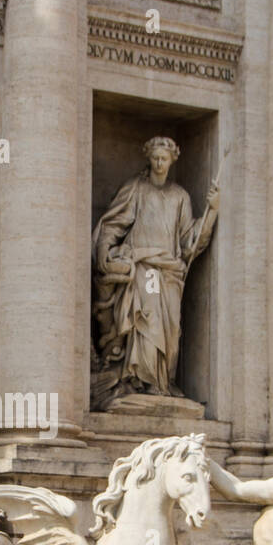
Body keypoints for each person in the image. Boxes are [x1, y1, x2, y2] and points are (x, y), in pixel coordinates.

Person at [92, 136, 219, 401]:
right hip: (144, 268)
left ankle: (163, 382)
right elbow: (113, 224)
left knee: (171, 332)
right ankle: (141, 381)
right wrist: (104, 249)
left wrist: (212, 211)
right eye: (155, 158)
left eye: (164, 158)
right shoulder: (135, 188)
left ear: (173, 160)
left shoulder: (180, 197)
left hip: (170, 272)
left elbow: (190, 242)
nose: (159, 163)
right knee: (146, 322)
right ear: (148, 159)